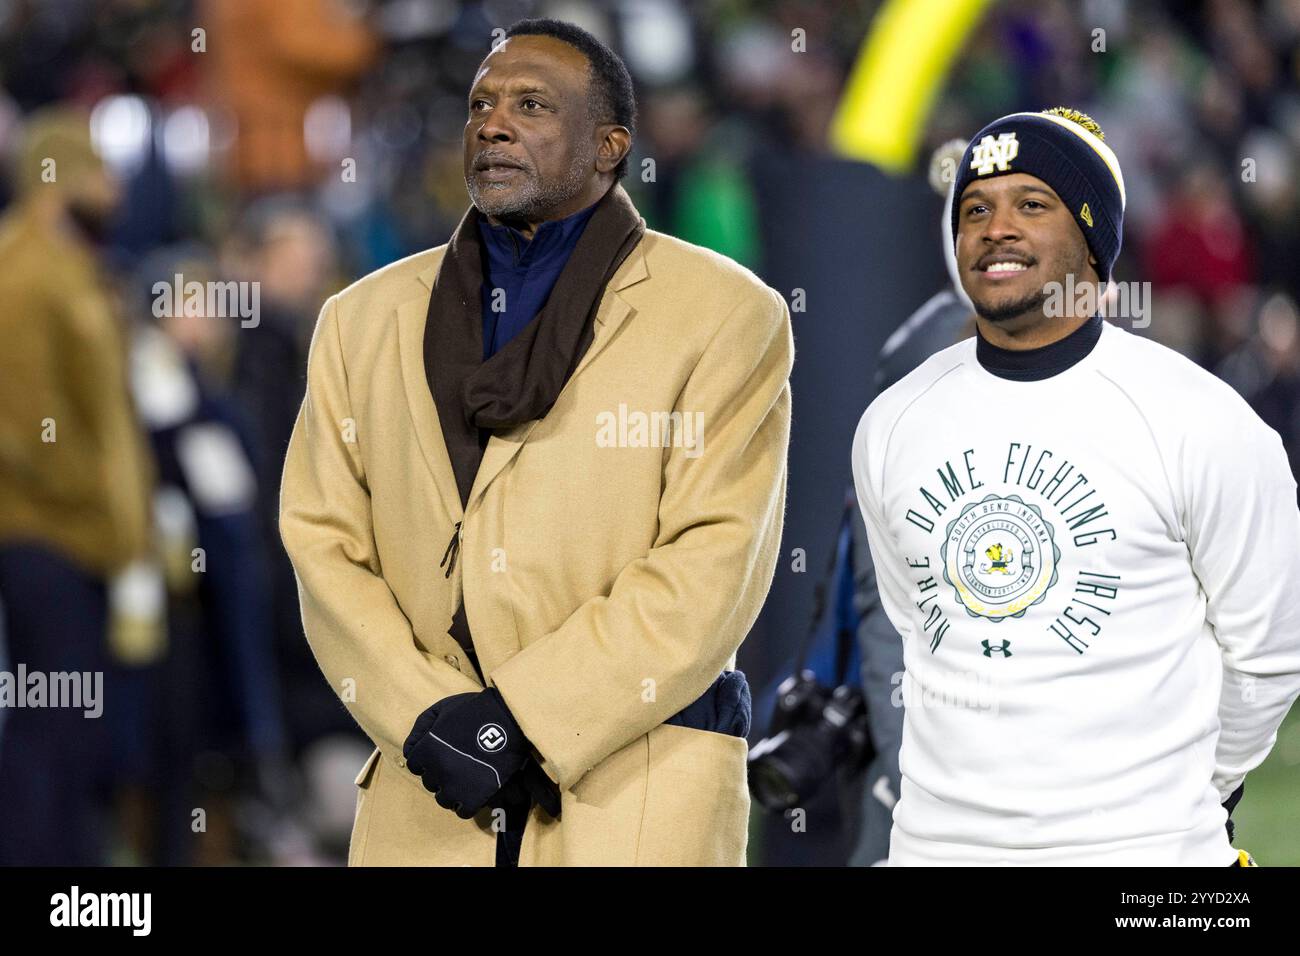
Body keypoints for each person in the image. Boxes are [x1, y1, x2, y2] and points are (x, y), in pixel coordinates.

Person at [279, 18, 793, 866]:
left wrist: (519, 719)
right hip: (430, 794)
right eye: (481, 103)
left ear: (608, 146)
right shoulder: (358, 321)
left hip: (633, 796)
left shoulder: (724, 314)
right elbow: (323, 546)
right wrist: (428, 719)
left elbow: (712, 563)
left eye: (531, 105)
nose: (493, 123)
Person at [850, 107, 1299, 865]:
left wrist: (1183, 794)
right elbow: (915, 622)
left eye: (1032, 204)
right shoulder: (892, 421)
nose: (996, 228)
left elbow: (1269, 658)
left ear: (1093, 241)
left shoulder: (1203, 419)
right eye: (975, 209)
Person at [0, 108, 154, 864]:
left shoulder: (73, 267)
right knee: (49, 727)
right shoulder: (23, 272)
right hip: (42, 537)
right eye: (98, 168)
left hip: (81, 544)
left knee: (75, 731)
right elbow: (22, 425)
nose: (114, 186)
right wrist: (95, 502)